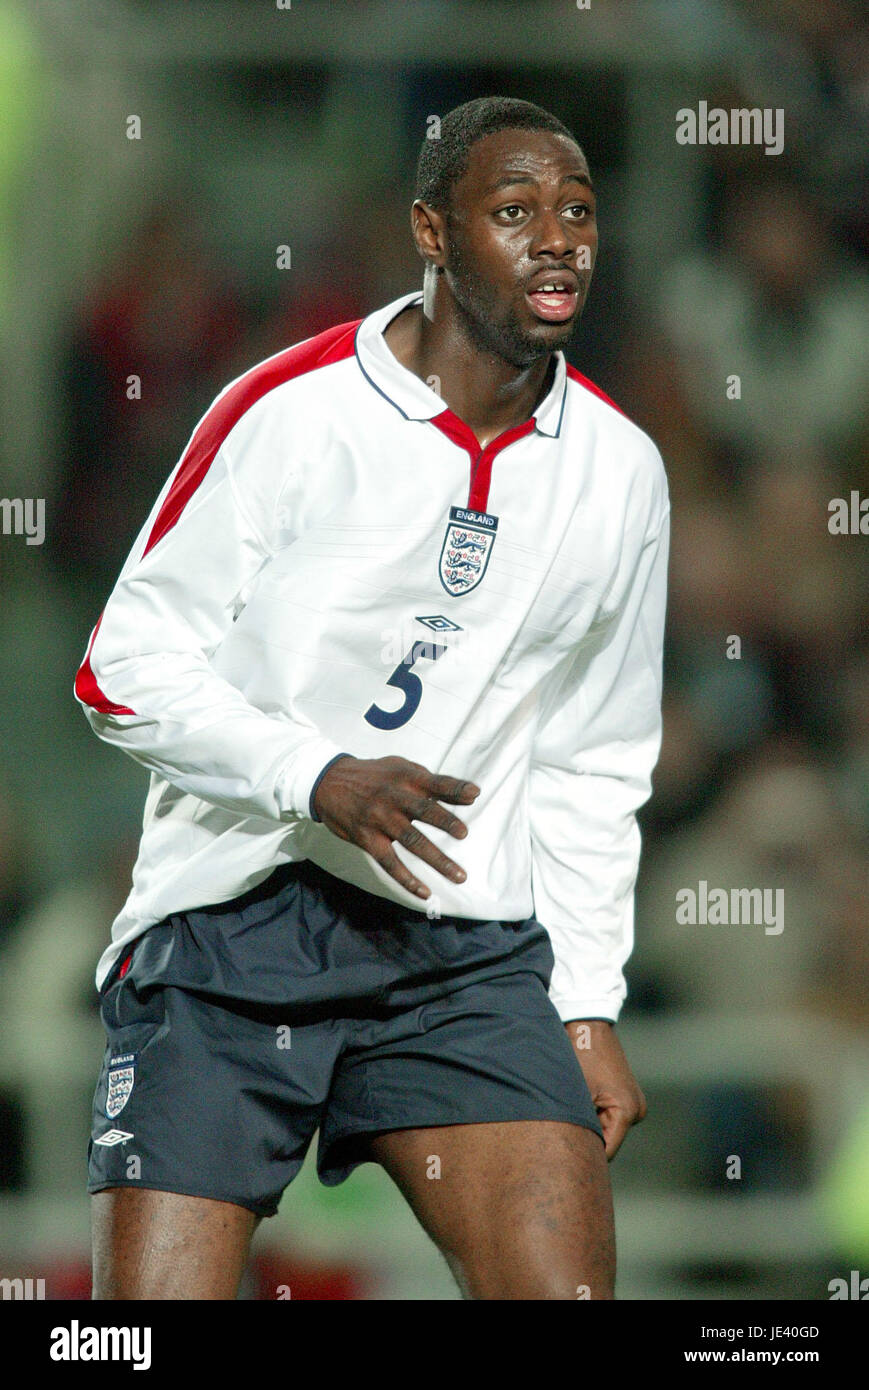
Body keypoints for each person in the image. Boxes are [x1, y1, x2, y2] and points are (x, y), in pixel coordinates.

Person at [75, 97, 669, 1301]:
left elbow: (594, 757)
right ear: (431, 233)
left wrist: (588, 1002)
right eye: (513, 212)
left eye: (577, 212)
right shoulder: (286, 413)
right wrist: (316, 777)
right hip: (229, 928)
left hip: (458, 948)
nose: (557, 238)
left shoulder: (620, 471)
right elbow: (117, 670)